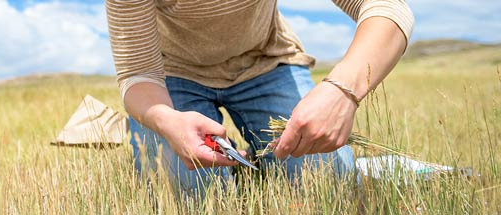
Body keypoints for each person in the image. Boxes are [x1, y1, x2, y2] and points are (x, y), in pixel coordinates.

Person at [105, 0, 413, 194]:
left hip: (267, 62)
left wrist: (342, 91)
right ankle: (244, 165)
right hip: (172, 76)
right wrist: (166, 120)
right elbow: (138, 74)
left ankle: (252, 163)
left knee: (330, 188)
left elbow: (389, 8)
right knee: (192, 194)